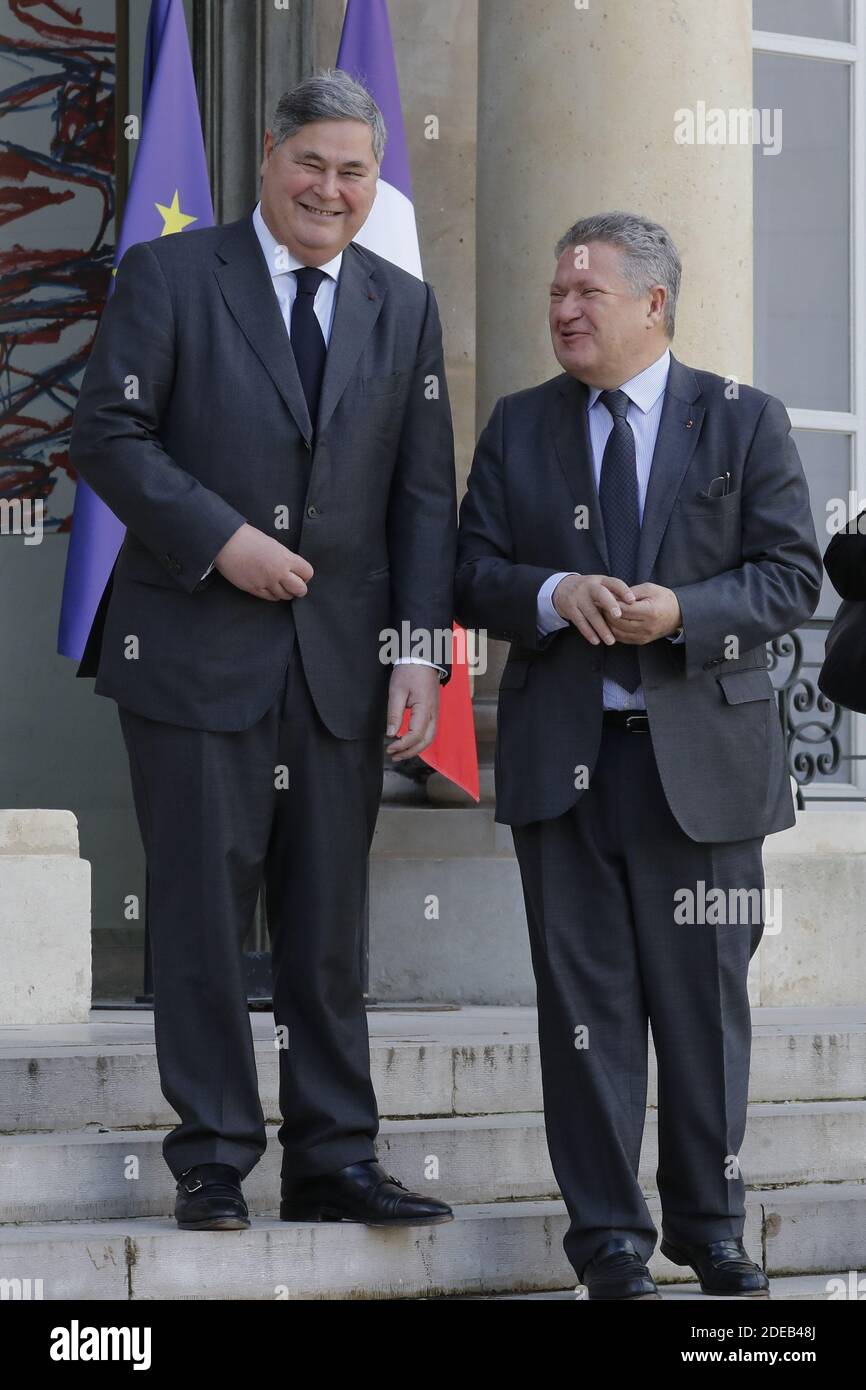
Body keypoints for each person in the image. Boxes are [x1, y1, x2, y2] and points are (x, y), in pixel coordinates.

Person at [70, 70, 456, 1231]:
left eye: (352, 171)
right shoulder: (172, 273)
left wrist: (416, 652)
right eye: (311, 164)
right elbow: (107, 432)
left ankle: (335, 1158)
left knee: (327, 927)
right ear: (267, 159)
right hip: (194, 649)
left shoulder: (402, 304)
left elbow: (423, 494)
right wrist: (221, 540)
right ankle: (212, 1160)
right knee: (197, 919)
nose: (329, 189)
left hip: (341, 668)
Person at [455, 212, 822, 1299]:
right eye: (556, 295)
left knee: (702, 1012)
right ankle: (608, 1239)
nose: (563, 312)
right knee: (583, 1015)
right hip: (564, 771)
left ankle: (709, 1231)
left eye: (588, 296)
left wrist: (681, 611)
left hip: (700, 776)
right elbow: (468, 571)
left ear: (652, 306)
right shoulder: (519, 427)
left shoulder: (743, 420)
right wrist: (549, 594)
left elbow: (789, 576)